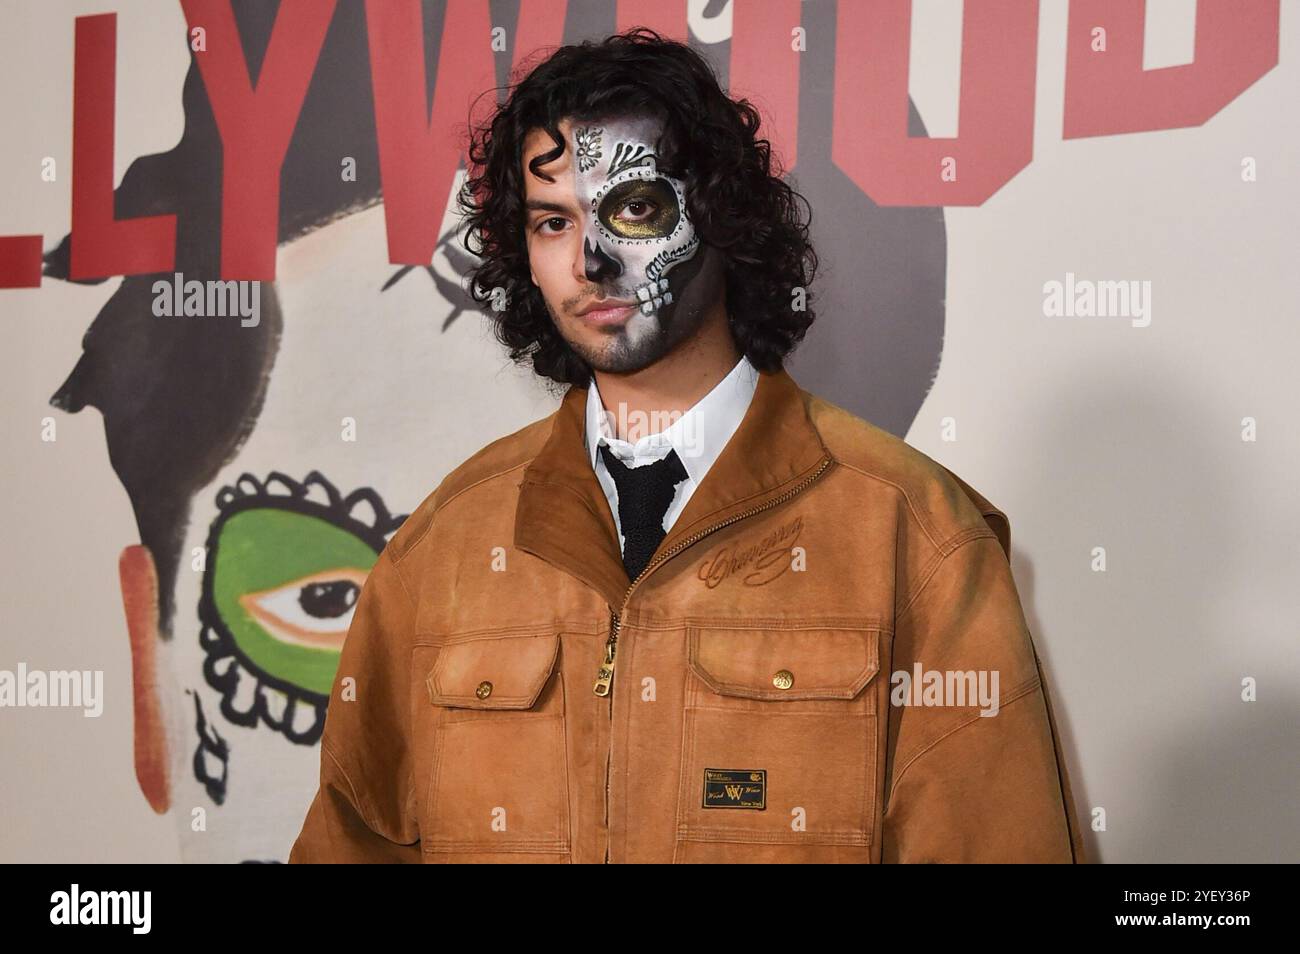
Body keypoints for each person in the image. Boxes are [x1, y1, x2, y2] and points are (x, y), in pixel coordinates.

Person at [289, 28, 1085, 864]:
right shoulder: (444, 547)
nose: (589, 261)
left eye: (633, 208)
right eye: (553, 222)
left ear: (721, 213)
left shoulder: (916, 537)